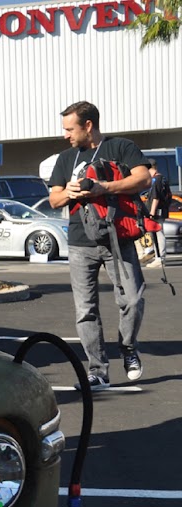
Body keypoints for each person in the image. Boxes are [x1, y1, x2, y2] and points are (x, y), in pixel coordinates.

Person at [47, 101, 150, 390]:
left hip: (118, 237)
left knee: (132, 299)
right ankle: (97, 370)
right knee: (85, 310)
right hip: (80, 242)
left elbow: (143, 177)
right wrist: (69, 191)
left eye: (70, 128)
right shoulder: (66, 158)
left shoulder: (121, 147)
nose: (65, 134)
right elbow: (54, 199)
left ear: (88, 125)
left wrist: (105, 188)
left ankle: (128, 348)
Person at [144, 159, 171, 267]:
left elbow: (155, 198)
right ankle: (158, 257)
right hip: (160, 211)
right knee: (157, 234)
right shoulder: (162, 178)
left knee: (158, 234)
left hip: (156, 212)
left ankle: (160, 258)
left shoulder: (156, 180)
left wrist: (151, 212)